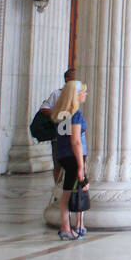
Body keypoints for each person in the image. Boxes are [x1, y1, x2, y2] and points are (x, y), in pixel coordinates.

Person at [51, 80, 89, 240]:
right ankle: (66, 227)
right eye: (83, 92)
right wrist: (81, 165)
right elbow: (76, 141)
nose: (85, 94)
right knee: (69, 192)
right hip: (74, 157)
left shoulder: (61, 113)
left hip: (63, 155)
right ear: (76, 95)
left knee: (74, 189)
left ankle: (74, 225)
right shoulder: (75, 114)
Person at [37, 67, 76, 198]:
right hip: (60, 134)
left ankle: (71, 190)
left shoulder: (80, 94)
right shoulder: (57, 94)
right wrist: (59, 114)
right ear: (67, 79)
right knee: (58, 163)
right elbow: (44, 108)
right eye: (74, 77)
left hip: (75, 134)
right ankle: (58, 190)